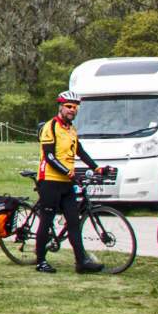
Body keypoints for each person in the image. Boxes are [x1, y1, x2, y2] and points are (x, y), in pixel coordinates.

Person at [36, 90, 105, 274]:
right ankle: (41, 261)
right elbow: (50, 156)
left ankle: (81, 262)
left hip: (67, 183)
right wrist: (68, 172)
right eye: (68, 106)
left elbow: (79, 151)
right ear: (61, 107)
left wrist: (97, 167)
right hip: (50, 180)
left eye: (75, 107)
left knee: (73, 222)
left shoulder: (71, 130)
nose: (72, 110)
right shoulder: (50, 127)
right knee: (46, 220)